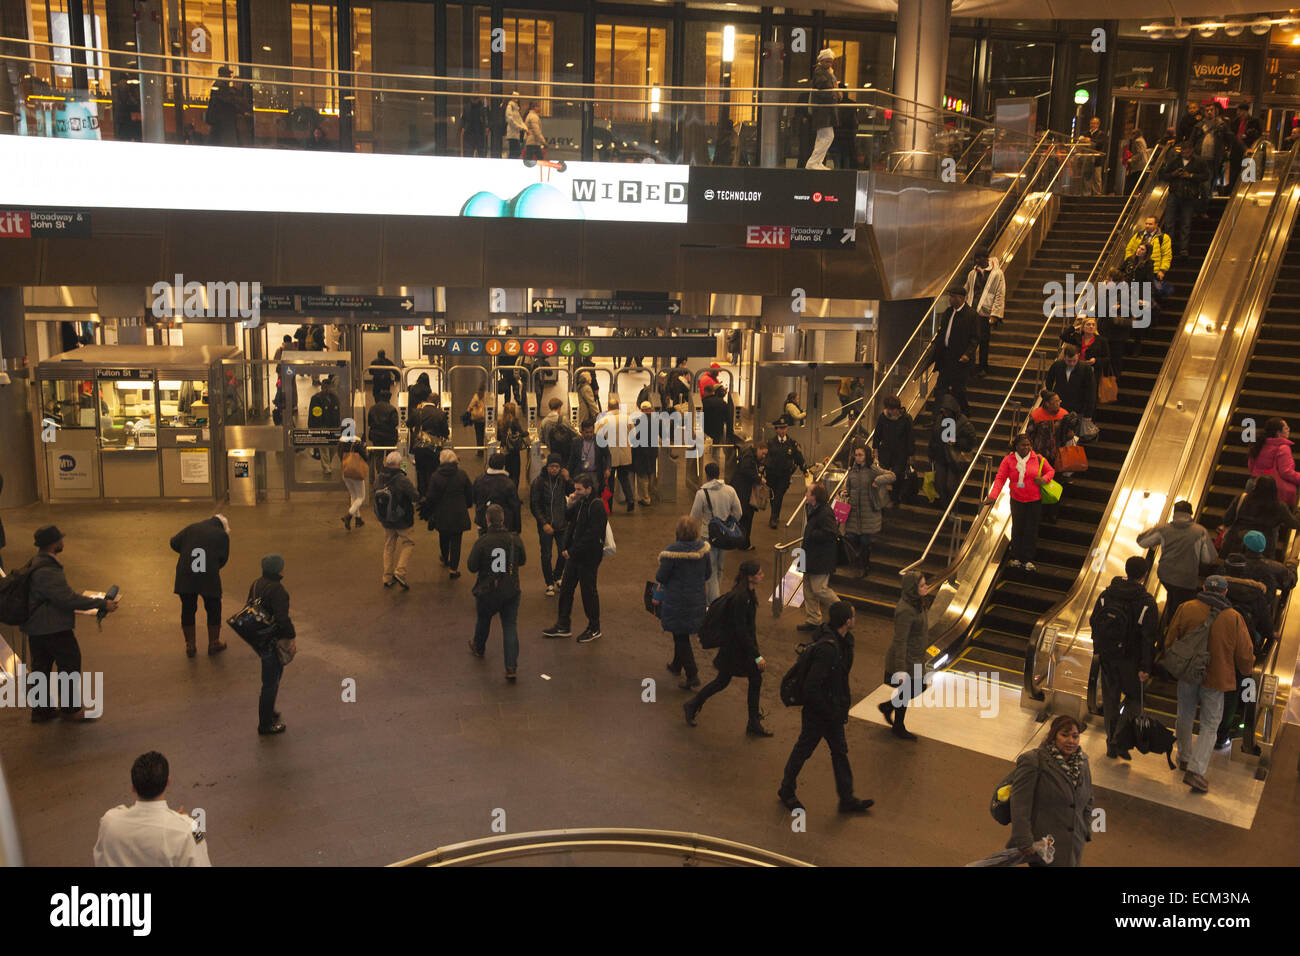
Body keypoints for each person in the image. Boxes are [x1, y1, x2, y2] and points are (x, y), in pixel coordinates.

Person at [778, 601, 873, 812]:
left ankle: (846, 798)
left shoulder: (844, 641)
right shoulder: (829, 649)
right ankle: (786, 789)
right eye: (854, 616)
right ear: (847, 621)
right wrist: (828, 711)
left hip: (832, 709)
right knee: (804, 750)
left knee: (839, 751)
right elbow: (812, 686)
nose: (856, 619)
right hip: (820, 712)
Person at [19, 526, 119, 723]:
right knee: (69, 665)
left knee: (41, 668)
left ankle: (41, 711)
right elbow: (67, 599)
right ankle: (71, 710)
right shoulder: (47, 570)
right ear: (54, 543)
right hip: (53, 627)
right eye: (60, 539)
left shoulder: (36, 563)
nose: (63, 542)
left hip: (36, 626)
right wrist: (101, 603)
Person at [1165, 576, 1254, 793]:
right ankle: (1195, 770)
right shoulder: (1233, 617)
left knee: (1184, 715)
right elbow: (1245, 652)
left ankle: (1184, 757)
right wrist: (1247, 670)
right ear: (1225, 592)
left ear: (1203, 588)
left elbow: (1170, 638)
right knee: (1210, 724)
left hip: (1188, 673)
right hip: (1217, 677)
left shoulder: (1186, 608)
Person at [684, 561, 772, 736]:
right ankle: (752, 723)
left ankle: (693, 705)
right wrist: (756, 656)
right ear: (750, 577)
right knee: (745, 680)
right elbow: (742, 630)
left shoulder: (745, 593)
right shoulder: (742, 598)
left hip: (735, 648)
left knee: (726, 681)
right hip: (737, 650)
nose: (762, 576)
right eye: (759, 573)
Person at [1091, 556, 1160, 759]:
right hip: (1131, 660)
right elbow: (1148, 638)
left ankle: (1111, 741)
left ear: (1126, 570)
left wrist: (1100, 649)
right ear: (1145, 575)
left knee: (1111, 700)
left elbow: (1094, 620)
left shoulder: (1107, 594)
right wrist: (1146, 667)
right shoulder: (1146, 602)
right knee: (1135, 700)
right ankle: (1119, 738)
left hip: (1108, 656)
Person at [93, 752, 210, 867]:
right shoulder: (189, 831)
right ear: (167, 782)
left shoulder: (109, 822)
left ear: (133, 788)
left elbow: (101, 859)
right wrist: (180, 822)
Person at [1006, 715, 1093, 866]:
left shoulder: (1083, 761)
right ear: (1053, 736)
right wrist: (1024, 840)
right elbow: (1020, 803)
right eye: (1064, 735)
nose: (1071, 741)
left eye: (1075, 736)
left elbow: (1088, 797)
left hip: (1073, 842)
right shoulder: (1033, 761)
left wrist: (1084, 828)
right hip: (1045, 842)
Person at [542, 472, 607, 644]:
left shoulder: (597, 506)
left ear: (588, 489)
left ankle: (594, 627)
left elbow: (592, 535)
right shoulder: (581, 501)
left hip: (588, 557)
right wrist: (570, 503)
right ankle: (563, 625)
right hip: (575, 555)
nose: (575, 491)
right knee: (566, 590)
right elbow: (568, 518)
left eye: (579, 489)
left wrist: (572, 551)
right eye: (575, 488)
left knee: (588, 593)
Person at [465, 504, 527, 681]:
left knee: (483, 619)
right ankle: (511, 667)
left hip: (487, 591)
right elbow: (522, 561)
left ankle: (479, 647)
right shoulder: (515, 539)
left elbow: (471, 566)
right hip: (510, 590)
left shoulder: (482, 541)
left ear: (487, 520)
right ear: (503, 520)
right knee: (510, 626)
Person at [1137, 499, 1218, 626]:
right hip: (1186, 580)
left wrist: (1155, 527)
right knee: (1181, 609)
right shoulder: (1200, 531)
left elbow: (1142, 542)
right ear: (1190, 514)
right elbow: (1208, 559)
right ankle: (1172, 631)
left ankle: (1166, 626)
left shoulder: (1163, 529)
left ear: (1174, 513)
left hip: (1165, 576)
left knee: (1173, 598)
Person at [656, 516, 711, 691]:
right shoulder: (703, 550)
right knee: (682, 633)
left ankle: (692, 674)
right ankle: (676, 665)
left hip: (677, 600)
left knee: (680, 636)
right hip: (697, 599)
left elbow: (661, 577)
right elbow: (708, 574)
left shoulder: (671, 552)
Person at [987, 433, 1055, 572]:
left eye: (1028, 445)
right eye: (1023, 445)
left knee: (1031, 529)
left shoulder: (1037, 458)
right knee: (1017, 528)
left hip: (1034, 500)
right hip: (1017, 499)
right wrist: (993, 496)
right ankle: (1016, 557)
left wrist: (1044, 479)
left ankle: (1028, 559)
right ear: (1016, 446)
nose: (1027, 447)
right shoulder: (1008, 460)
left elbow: (1051, 471)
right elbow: (1000, 478)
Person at [880, 572, 936, 741]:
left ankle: (888, 707)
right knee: (910, 689)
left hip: (916, 657)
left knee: (919, 687)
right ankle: (898, 725)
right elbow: (900, 641)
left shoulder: (918, 603)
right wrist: (900, 670)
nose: (926, 587)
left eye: (925, 584)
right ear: (912, 588)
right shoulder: (905, 610)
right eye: (921, 585)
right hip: (906, 659)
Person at [169, 514, 230, 658]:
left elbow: (173, 542)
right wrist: (212, 564)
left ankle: (190, 645)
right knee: (213, 607)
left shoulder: (191, 527)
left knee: (188, 608)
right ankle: (214, 643)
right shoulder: (222, 535)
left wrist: (186, 552)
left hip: (186, 573)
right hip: (208, 575)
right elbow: (223, 558)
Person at [248, 554, 294, 735]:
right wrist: (291, 637)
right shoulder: (278, 590)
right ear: (278, 570)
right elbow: (283, 620)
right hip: (272, 640)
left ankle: (270, 710)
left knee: (272, 677)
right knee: (270, 682)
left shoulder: (256, 584)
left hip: (259, 638)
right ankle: (265, 724)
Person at [691, 461, 743, 604]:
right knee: (719, 569)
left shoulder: (702, 493)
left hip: (707, 536)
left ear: (707, 475)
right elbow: (739, 513)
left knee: (711, 570)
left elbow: (693, 517)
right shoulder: (730, 490)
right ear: (718, 473)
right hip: (724, 536)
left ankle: (714, 602)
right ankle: (715, 597)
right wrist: (729, 522)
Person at [842, 446, 894, 579]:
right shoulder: (852, 471)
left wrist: (878, 481)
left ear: (866, 456)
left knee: (865, 541)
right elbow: (848, 487)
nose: (857, 458)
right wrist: (844, 492)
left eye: (860, 455)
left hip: (868, 512)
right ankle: (856, 563)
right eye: (856, 455)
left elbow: (891, 476)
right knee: (851, 539)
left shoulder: (872, 469)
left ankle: (864, 566)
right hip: (853, 513)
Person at [422, 449, 474, 580]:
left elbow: (431, 496)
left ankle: (445, 558)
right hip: (458, 513)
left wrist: (429, 510)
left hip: (441, 513)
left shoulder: (435, 476)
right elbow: (470, 493)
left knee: (443, 536)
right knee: (456, 542)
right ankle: (453, 569)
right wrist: (467, 505)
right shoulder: (462, 474)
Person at [1217, 475, 1300, 558]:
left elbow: (1227, 520)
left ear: (1255, 486)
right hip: (1263, 550)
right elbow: (1294, 524)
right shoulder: (1279, 507)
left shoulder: (1242, 499)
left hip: (1236, 545)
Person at [929, 286, 980, 417]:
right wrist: (935, 345)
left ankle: (965, 413)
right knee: (940, 389)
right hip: (946, 358)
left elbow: (975, 338)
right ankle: (937, 418)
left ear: (961, 298)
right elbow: (942, 332)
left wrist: (967, 354)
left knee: (958, 390)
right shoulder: (948, 312)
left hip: (960, 361)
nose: (950, 299)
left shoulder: (971, 315)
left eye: (952, 296)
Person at [797, 483, 841, 633]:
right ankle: (813, 620)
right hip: (809, 554)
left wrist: (812, 534)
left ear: (815, 496)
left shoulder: (825, 512)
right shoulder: (811, 508)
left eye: (809, 492)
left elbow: (831, 533)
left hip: (820, 558)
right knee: (808, 589)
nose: (806, 494)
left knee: (819, 589)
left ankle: (842, 610)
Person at [530, 453, 573, 596]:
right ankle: (549, 583)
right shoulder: (539, 482)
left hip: (562, 524)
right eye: (551, 466)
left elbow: (573, 493)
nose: (554, 469)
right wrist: (543, 523)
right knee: (546, 555)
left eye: (557, 467)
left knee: (564, 553)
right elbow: (534, 505)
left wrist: (568, 480)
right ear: (547, 466)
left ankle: (558, 576)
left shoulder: (562, 481)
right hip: (546, 525)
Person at [375, 451, 419, 590]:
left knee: (389, 545)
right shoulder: (401, 479)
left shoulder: (379, 477)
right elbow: (415, 496)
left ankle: (387, 577)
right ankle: (400, 571)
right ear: (399, 464)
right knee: (408, 542)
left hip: (386, 518)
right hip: (402, 518)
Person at [1160, 141, 1211, 259]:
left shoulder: (1199, 161)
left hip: (1189, 195)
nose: (1185, 154)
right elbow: (1163, 175)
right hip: (1174, 193)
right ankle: (1168, 248)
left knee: (1186, 223)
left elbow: (1206, 176)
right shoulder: (1175, 161)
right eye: (1183, 151)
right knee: (1169, 222)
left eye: (1188, 151)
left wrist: (1191, 176)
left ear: (1192, 151)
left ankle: (1183, 248)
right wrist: (1174, 174)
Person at [928, 394, 977, 507]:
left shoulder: (963, 422)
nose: (945, 413)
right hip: (941, 457)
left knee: (951, 486)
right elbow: (934, 437)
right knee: (939, 484)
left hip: (954, 459)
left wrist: (957, 442)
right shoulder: (940, 419)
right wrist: (931, 453)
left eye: (947, 411)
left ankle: (952, 508)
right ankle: (946, 507)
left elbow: (972, 441)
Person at [965, 249, 1005, 377]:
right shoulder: (972, 273)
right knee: (971, 339)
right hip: (972, 310)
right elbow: (967, 290)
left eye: (979, 259)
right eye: (976, 259)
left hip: (985, 312)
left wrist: (995, 314)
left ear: (986, 258)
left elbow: (1000, 294)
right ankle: (971, 366)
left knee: (983, 341)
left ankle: (983, 366)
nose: (977, 262)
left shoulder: (997, 273)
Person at [1247, 417, 1299, 508]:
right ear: (1279, 433)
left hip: (1253, 484)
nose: (1289, 430)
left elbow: (1251, 467)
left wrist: (1264, 472)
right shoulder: (1283, 448)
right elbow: (1286, 472)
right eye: (1286, 428)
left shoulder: (1258, 444)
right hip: (1270, 489)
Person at [765, 419, 807, 529]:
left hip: (784, 475)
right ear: (776, 429)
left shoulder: (792, 443)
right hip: (772, 475)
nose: (782, 430)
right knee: (773, 497)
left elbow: (799, 457)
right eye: (780, 428)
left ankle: (774, 517)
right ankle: (774, 515)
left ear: (786, 428)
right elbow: (765, 458)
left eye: (784, 428)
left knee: (779, 495)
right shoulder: (770, 442)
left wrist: (804, 469)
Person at [1240, 530, 1298, 606]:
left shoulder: (1232, 561)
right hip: (1259, 612)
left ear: (1244, 546)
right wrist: (1291, 564)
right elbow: (1291, 581)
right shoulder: (1275, 568)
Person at [872, 394, 913, 501]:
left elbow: (910, 437)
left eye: (892, 409)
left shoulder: (906, 419)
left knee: (897, 476)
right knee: (881, 474)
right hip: (885, 451)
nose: (890, 412)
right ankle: (880, 499)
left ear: (897, 409)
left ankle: (895, 497)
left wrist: (910, 454)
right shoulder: (883, 417)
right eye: (888, 409)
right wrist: (875, 449)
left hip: (900, 453)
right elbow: (877, 434)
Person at [805, 49, 840, 170]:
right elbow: (824, 89)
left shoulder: (826, 72)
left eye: (830, 62)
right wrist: (835, 94)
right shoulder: (821, 72)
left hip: (824, 111)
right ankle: (813, 162)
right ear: (821, 61)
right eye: (827, 61)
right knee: (827, 136)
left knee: (823, 137)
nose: (829, 64)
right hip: (823, 111)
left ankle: (817, 162)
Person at [411, 389, 450, 497]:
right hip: (434, 448)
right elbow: (445, 432)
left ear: (427, 400)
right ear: (437, 403)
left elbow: (408, 424)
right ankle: (432, 494)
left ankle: (421, 495)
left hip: (419, 447)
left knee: (420, 472)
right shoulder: (440, 414)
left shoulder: (417, 412)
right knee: (432, 471)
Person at [1044, 344, 1096, 422]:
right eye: (1069, 361)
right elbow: (1049, 383)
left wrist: (1088, 413)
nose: (1071, 363)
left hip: (1078, 408)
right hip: (1059, 408)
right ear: (1064, 357)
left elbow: (1091, 391)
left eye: (1074, 361)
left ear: (1078, 356)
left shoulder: (1086, 369)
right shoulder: (1057, 365)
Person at [730, 442, 767, 550]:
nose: (764, 456)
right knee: (746, 517)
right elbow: (746, 470)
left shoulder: (749, 455)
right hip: (743, 492)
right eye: (763, 454)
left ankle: (742, 542)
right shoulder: (749, 457)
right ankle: (743, 543)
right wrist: (759, 478)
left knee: (743, 518)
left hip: (741, 490)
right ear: (759, 449)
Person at [601, 394, 636, 511]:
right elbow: (634, 434)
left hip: (610, 455)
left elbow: (598, 436)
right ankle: (630, 500)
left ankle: (609, 506)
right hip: (625, 454)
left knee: (609, 481)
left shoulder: (604, 419)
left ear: (608, 407)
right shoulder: (627, 418)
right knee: (624, 478)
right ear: (618, 407)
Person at [473, 452, 522, 534]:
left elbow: (474, 499)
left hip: (483, 522)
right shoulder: (508, 483)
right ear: (503, 466)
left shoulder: (479, 480)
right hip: (504, 525)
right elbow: (515, 507)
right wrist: (517, 528)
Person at [1098, 268, 1132, 377]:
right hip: (1105, 333)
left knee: (1115, 362)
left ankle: (1114, 386)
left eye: (1109, 279)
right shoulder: (1106, 292)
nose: (1106, 281)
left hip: (1117, 336)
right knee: (1105, 362)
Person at [1060, 316, 1111, 385]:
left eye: (1093, 325)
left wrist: (1096, 360)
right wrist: (1075, 327)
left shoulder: (1101, 340)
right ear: (1083, 327)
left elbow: (1107, 359)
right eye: (1088, 324)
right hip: (1076, 369)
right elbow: (1063, 336)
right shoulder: (1078, 338)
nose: (1091, 327)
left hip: (1092, 371)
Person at [205, 66, 248, 145]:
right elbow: (228, 99)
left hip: (220, 119)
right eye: (228, 75)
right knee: (225, 141)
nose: (229, 77)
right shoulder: (221, 85)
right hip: (222, 120)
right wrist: (237, 98)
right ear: (224, 75)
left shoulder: (219, 85)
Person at [566, 419, 611, 495]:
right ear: (581, 431)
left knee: (595, 494)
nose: (589, 434)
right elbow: (572, 459)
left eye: (591, 432)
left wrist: (607, 468)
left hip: (595, 474)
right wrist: (568, 471)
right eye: (586, 432)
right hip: (580, 474)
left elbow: (608, 455)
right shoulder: (576, 442)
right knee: (580, 495)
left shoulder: (600, 439)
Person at [496, 402, 529, 490]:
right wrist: (529, 432)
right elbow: (522, 433)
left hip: (505, 450)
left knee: (507, 472)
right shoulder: (514, 421)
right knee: (515, 474)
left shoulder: (500, 422)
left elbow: (498, 437)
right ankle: (514, 495)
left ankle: (507, 493)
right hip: (514, 450)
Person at [631, 401, 658, 507]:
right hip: (652, 451)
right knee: (651, 471)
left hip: (641, 451)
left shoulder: (637, 421)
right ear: (651, 409)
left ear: (641, 410)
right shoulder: (657, 420)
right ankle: (652, 492)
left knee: (642, 475)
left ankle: (645, 498)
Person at [367, 389, 399, 457]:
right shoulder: (392, 409)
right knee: (390, 455)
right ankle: (389, 466)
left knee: (378, 455)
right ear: (389, 398)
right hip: (389, 436)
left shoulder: (372, 408)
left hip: (376, 436)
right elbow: (395, 423)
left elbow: (369, 423)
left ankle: (378, 467)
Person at [1086, 115, 1108, 195]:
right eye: (1091, 123)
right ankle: (1087, 193)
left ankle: (1097, 194)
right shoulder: (1086, 133)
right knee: (1087, 177)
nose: (1092, 125)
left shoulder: (1101, 134)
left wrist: (1091, 140)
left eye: (1095, 123)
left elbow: (1101, 144)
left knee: (1097, 178)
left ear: (1098, 124)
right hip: (1087, 159)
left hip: (1097, 159)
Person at [467, 384, 487, 456]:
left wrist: (468, 412)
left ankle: (480, 451)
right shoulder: (487, 396)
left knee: (479, 435)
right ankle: (487, 448)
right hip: (485, 418)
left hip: (477, 419)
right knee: (486, 434)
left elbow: (470, 406)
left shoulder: (476, 396)